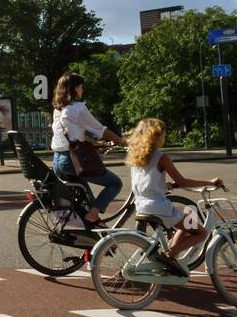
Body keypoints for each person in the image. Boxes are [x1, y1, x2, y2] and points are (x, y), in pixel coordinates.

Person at [128, 118, 224, 274]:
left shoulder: (136, 157)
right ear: (156, 136)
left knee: (189, 214)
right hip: (159, 207)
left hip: (141, 205)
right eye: (164, 134)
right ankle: (170, 255)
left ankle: (171, 255)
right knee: (201, 232)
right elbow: (183, 181)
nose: (165, 138)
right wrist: (211, 182)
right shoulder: (161, 156)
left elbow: (147, 181)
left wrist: (167, 185)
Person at [50, 72, 125, 226]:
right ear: (74, 89)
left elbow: (74, 135)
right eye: (81, 87)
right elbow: (101, 130)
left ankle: (96, 242)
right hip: (74, 161)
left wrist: (95, 143)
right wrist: (123, 142)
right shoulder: (77, 108)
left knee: (89, 206)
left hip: (58, 161)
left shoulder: (58, 110)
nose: (82, 90)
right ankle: (93, 220)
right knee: (115, 183)